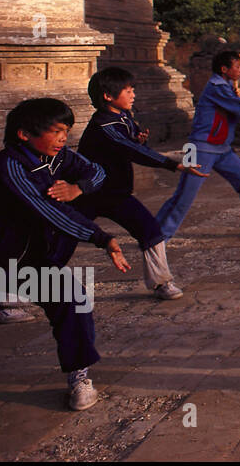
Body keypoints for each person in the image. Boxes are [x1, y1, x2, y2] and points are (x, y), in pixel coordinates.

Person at [0, 98, 131, 409]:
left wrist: (78, 188)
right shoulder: (9, 167)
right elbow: (49, 212)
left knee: (72, 299)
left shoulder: (56, 158)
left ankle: (79, 376)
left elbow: (96, 172)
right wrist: (101, 238)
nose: (63, 138)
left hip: (33, 257)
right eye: (56, 131)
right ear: (24, 134)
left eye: (66, 131)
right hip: (2, 258)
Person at [75, 67, 209, 299]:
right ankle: (9, 294)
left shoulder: (123, 117)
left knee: (150, 231)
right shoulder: (104, 127)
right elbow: (132, 150)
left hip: (115, 194)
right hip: (88, 192)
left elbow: (132, 142)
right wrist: (173, 164)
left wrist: (137, 139)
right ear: (108, 96)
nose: (133, 94)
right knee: (59, 237)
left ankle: (161, 282)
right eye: (128, 90)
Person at [155, 51, 240, 240]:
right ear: (224, 69)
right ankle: (158, 233)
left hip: (222, 149)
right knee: (184, 194)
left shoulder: (227, 87)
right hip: (198, 147)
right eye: (236, 66)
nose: (239, 70)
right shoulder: (216, 88)